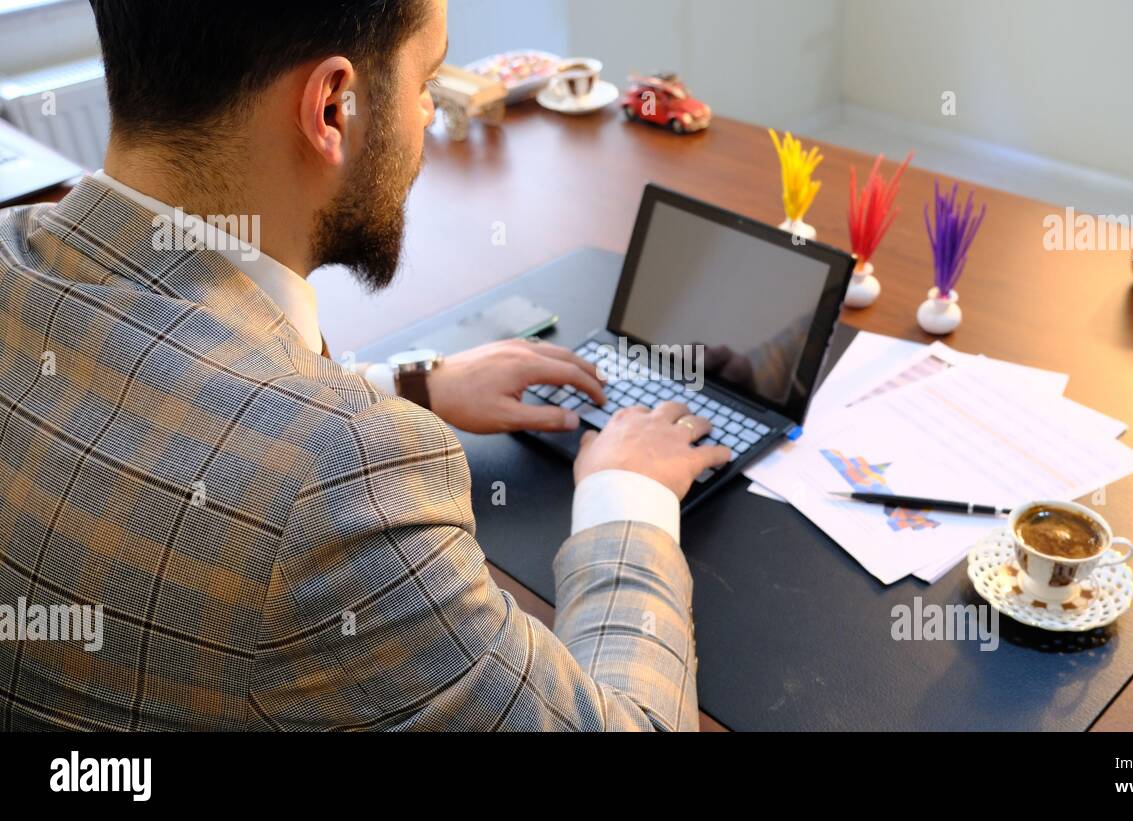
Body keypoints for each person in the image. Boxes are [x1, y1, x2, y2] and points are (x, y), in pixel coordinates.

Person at [0, 0, 728, 731]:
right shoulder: (333, 487)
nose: (423, 117)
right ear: (331, 108)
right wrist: (626, 500)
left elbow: (174, 395)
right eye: (426, 82)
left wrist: (410, 385)